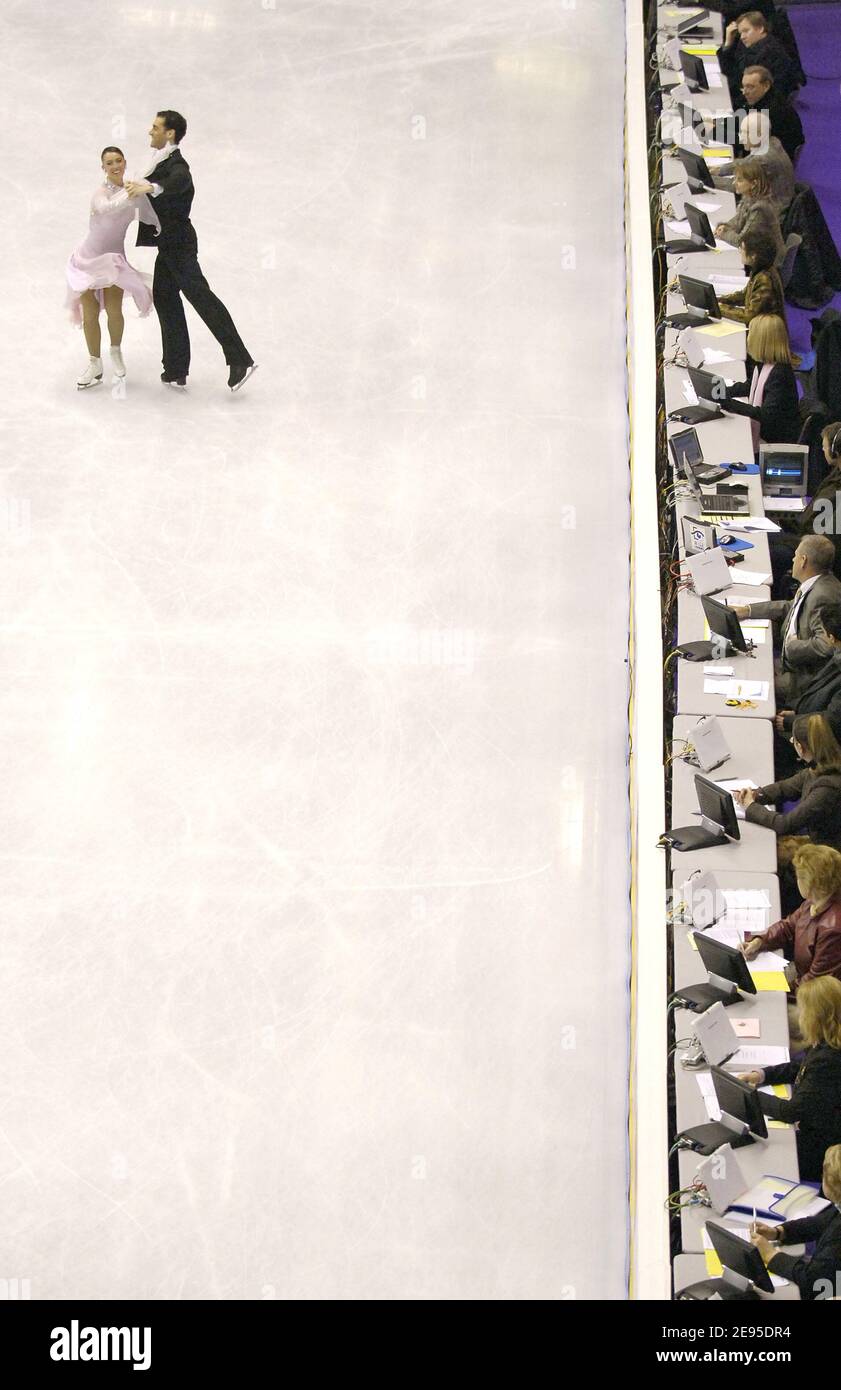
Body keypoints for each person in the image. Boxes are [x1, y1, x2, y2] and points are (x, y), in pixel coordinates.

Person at [124, 111, 256, 392]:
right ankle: (175, 368)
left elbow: (178, 182)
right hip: (168, 244)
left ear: (170, 133)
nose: (151, 131)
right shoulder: (160, 160)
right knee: (164, 296)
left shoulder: (177, 165)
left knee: (200, 296)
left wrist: (152, 186)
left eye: (156, 127)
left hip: (179, 245)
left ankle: (240, 358)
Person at [65, 146, 160, 390]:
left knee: (115, 310)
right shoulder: (100, 194)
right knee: (90, 314)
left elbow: (149, 215)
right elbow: (107, 207)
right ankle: (94, 363)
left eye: (118, 161)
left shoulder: (134, 192)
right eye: (110, 163)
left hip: (114, 261)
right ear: (103, 168)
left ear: (124, 162)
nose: (115, 166)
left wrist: (160, 225)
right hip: (88, 260)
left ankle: (116, 352)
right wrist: (130, 192)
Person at [738, 978, 841, 1182]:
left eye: (804, 1011)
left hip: (822, 1144)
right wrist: (761, 1075)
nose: (800, 1016)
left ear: (816, 1017)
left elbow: (791, 1111)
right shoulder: (828, 1041)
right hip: (820, 1127)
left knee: (757, 1152)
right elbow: (799, 1067)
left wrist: (747, 1097)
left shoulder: (829, 1061)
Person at [732, 535, 841, 702]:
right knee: (741, 662)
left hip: (800, 678)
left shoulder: (823, 595)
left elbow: (826, 645)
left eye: (796, 555)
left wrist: (791, 647)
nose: (792, 558)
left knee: (744, 682)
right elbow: (791, 606)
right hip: (787, 661)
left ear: (803, 560)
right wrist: (748, 610)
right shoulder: (817, 582)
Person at [733, 713, 841, 852]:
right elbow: (785, 788)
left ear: (800, 748)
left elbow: (784, 824)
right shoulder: (823, 763)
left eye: (793, 740)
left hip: (828, 851)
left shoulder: (827, 788)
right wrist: (756, 794)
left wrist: (750, 806)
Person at [743, 844, 841, 989]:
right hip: (800, 976)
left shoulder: (832, 929)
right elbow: (788, 926)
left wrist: (779, 987)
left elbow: (816, 982)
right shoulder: (814, 902)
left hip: (812, 996)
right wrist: (760, 941)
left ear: (810, 884)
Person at [751, 1143, 841, 1299]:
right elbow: (820, 1223)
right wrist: (779, 1232)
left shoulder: (836, 1241)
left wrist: (771, 1256)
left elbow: (812, 1280)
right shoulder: (838, 1210)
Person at [767, 424, 841, 593]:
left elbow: (825, 544)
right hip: (802, 535)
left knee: (764, 549)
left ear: (835, 451)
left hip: (811, 551)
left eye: (824, 447)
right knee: (759, 537)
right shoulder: (836, 473)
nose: (822, 451)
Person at [720, 314, 799, 449]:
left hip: (771, 443)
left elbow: (766, 416)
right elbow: (750, 386)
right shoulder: (766, 364)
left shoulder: (780, 375)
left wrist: (729, 404)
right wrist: (723, 391)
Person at [714, 159, 784, 262]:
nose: (734, 183)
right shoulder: (748, 196)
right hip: (756, 253)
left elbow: (741, 241)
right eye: (735, 179)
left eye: (740, 180)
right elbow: (737, 220)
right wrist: (725, 226)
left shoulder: (760, 208)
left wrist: (724, 234)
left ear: (753, 184)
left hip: (768, 262)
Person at [717, 8, 797, 98]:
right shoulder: (752, 44)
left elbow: (740, 81)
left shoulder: (767, 53)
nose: (742, 37)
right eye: (740, 33)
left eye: (746, 31)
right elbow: (732, 70)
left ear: (760, 29)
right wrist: (728, 43)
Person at [717, 226, 786, 327]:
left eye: (742, 248)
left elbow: (749, 316)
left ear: (753, 256)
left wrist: (720, 308)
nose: (740, 251)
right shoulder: (759, 269)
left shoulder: (764, 280)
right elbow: (744, 296)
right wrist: (719, 300)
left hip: (766, 333)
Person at [740, 65, 804, 163]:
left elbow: (747, 143)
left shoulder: (771, 111)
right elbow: (741, 120)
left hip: (769, 164)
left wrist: (714, 132)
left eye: (750, 87)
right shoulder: (761, 100)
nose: (745, 92)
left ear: (766, 86)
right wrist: (717, 123)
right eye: (743, 87)